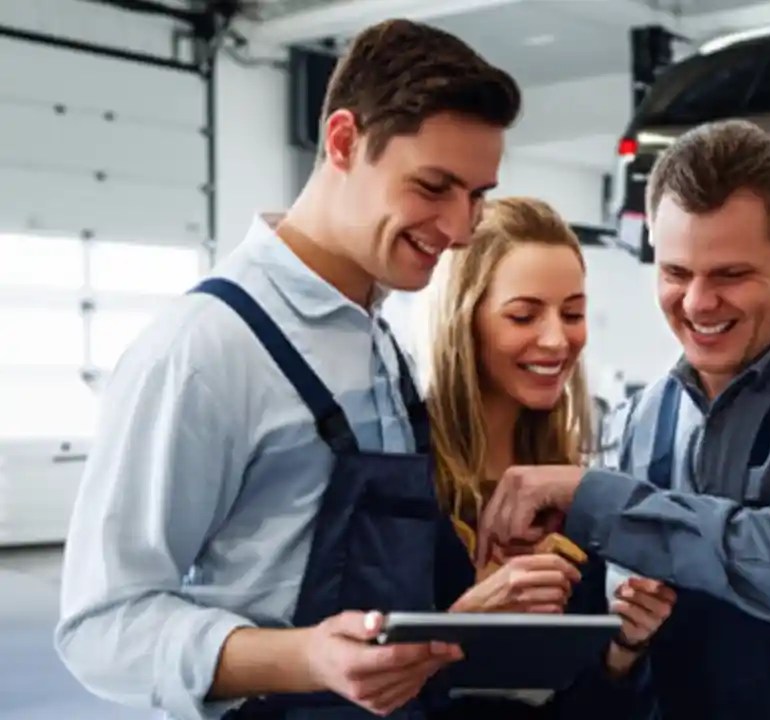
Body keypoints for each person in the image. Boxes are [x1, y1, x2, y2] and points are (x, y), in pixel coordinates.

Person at [53, 19, 565, 720]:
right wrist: (306, 658)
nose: (459, 229)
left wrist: (468, 595)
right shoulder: (204, 352)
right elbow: (101, 628)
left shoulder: (379, 341)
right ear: (344, 141)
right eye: (434, 187)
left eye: (475, 195)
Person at [475, 119, 770, 719]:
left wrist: (592, 495)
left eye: (730, 275)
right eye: (676, 273)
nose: (698, 303)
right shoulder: (643, 421)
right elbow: (620, 650)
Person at [413, 196, 675, 717]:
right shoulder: (402, 475)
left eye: (572, 313)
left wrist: (623, 649)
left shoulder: (576, 490)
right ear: (464, 320)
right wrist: (468, 619)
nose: (557, 339)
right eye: (524, 315)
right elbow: (351, 683)